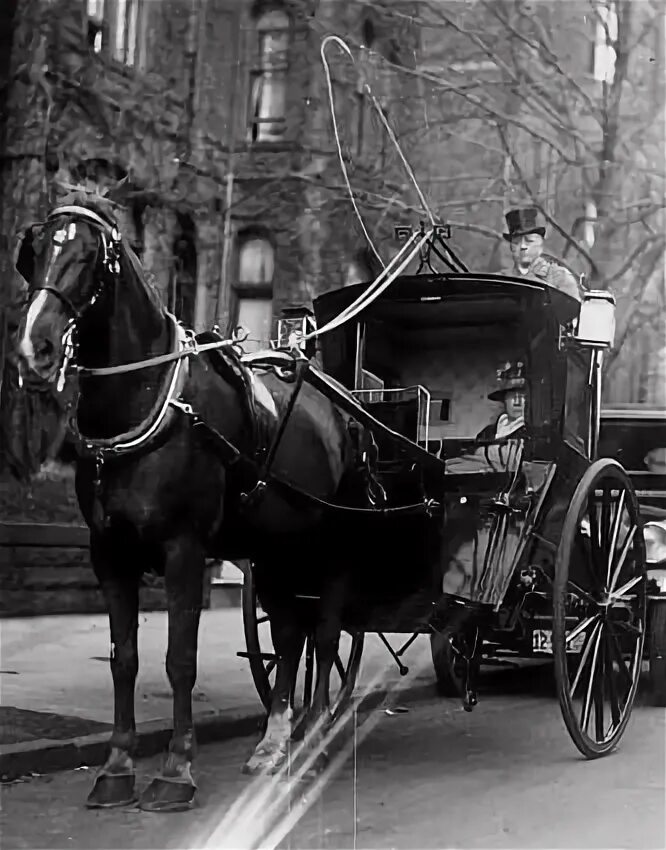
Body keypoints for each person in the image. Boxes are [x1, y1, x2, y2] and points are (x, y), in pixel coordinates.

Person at [501, 207, 583, 301]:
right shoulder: (501, 280)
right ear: (511, 246)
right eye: (516, 242)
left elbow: (570, 312)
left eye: (529, 241)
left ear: (540, 244)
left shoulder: (560, 278)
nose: (522, 246)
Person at [476, 360, 527, 442]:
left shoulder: (529, 434)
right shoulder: (487, 433)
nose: (517, 402)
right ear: (504, 400)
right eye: (513, 396)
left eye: (522, 396)